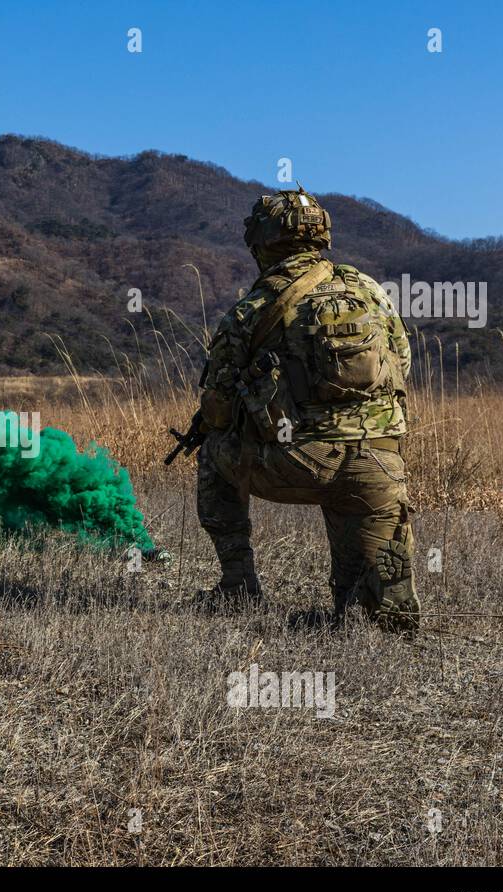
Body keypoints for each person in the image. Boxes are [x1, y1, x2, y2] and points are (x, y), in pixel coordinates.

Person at [193, 188, 421, 631]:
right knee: (384, 599)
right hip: (381, 463)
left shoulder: (252, 309)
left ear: (260, 244)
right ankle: (372, 607)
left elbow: (217, 409)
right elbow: (402, 362)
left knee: (212, 452)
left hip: (300, 463)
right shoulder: (371, 292)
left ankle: (238, 587)